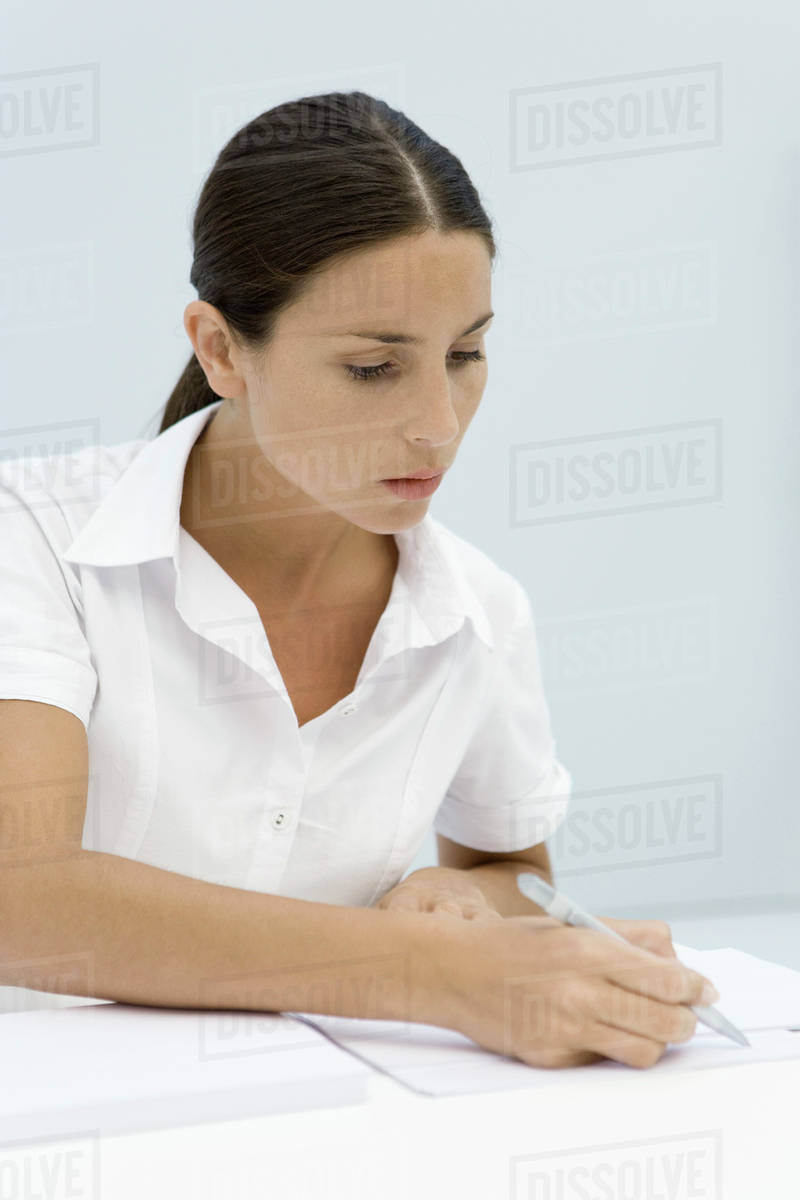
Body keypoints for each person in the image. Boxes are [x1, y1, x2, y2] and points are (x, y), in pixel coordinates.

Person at [0, 91, 716, 1069]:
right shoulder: (35, 536)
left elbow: (515, 874)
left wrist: (465, 903)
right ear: (220, 349)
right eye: (375, 367)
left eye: (466, 353)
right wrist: (430, 973)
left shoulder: (479, 611)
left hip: (336, 1135)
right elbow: (19, 896)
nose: (439, 422)